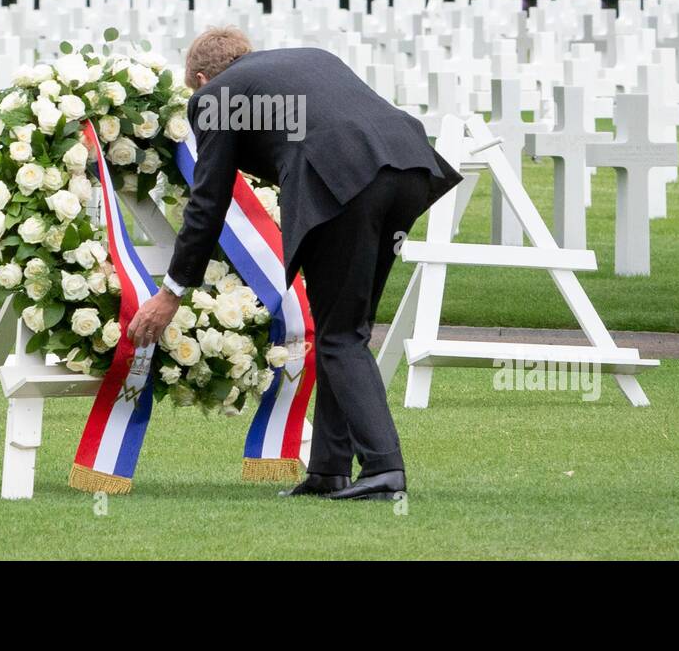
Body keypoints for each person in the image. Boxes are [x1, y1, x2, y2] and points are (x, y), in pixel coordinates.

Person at [127, 27, 461, 500]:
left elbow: (209, 201)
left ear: (200, 79)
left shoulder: (215, 95)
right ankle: (329, 469)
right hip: (409, 168)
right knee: (344, 329)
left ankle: (384, 469)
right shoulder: (308, 57)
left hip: (344, 181)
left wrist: (172, 291)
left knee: (341, 334)